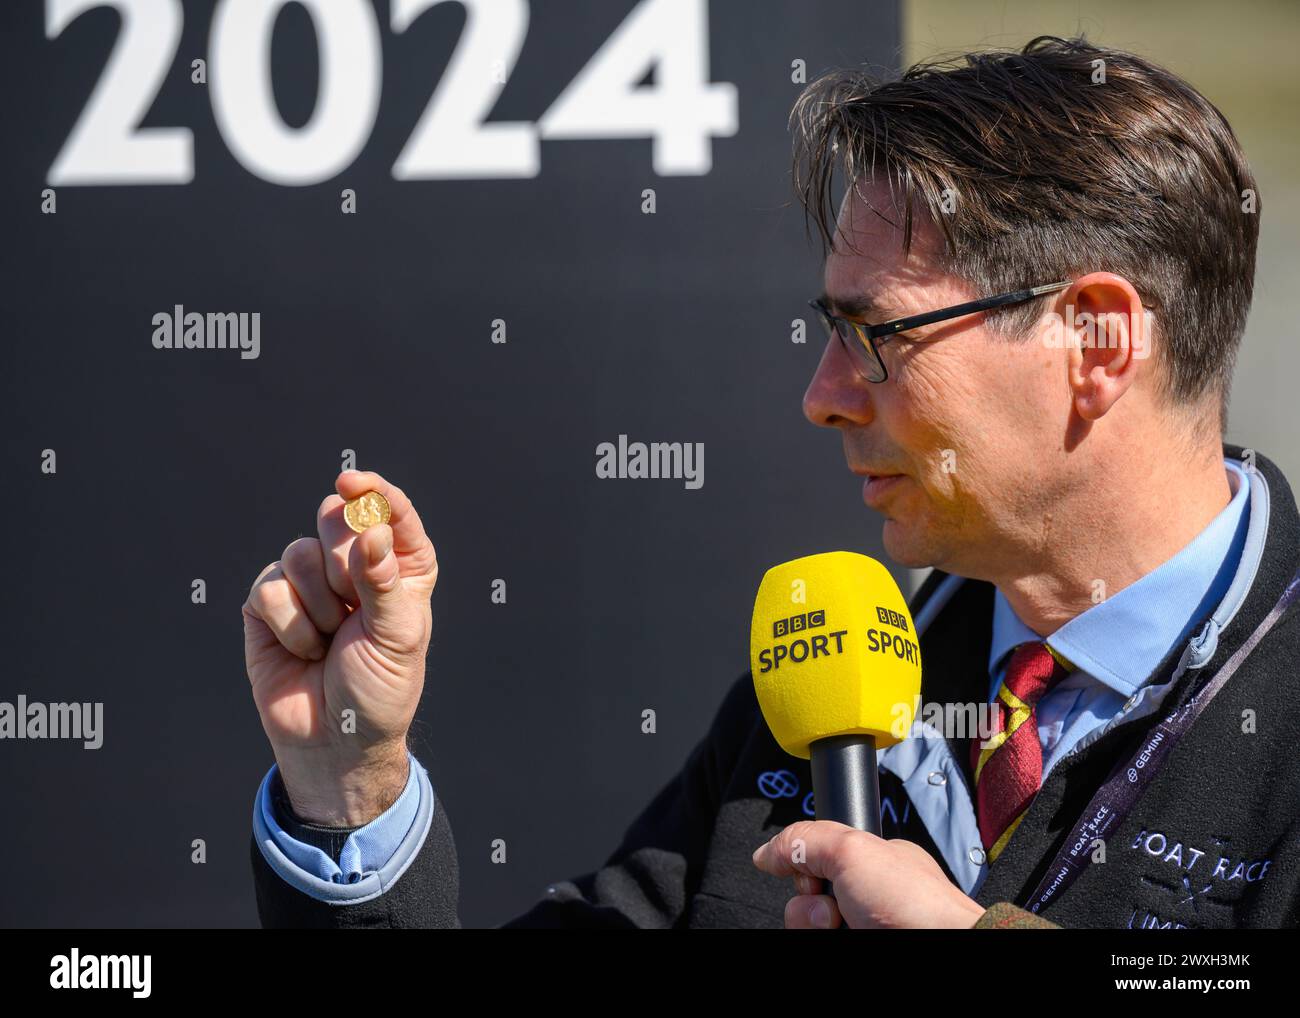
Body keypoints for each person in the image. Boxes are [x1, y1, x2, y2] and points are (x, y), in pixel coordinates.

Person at [242, 37, 1300, 929]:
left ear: (1099, 342)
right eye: (828, 334)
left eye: (876, 334)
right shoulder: (824, 674)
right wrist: (353, 784)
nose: (823, 396)